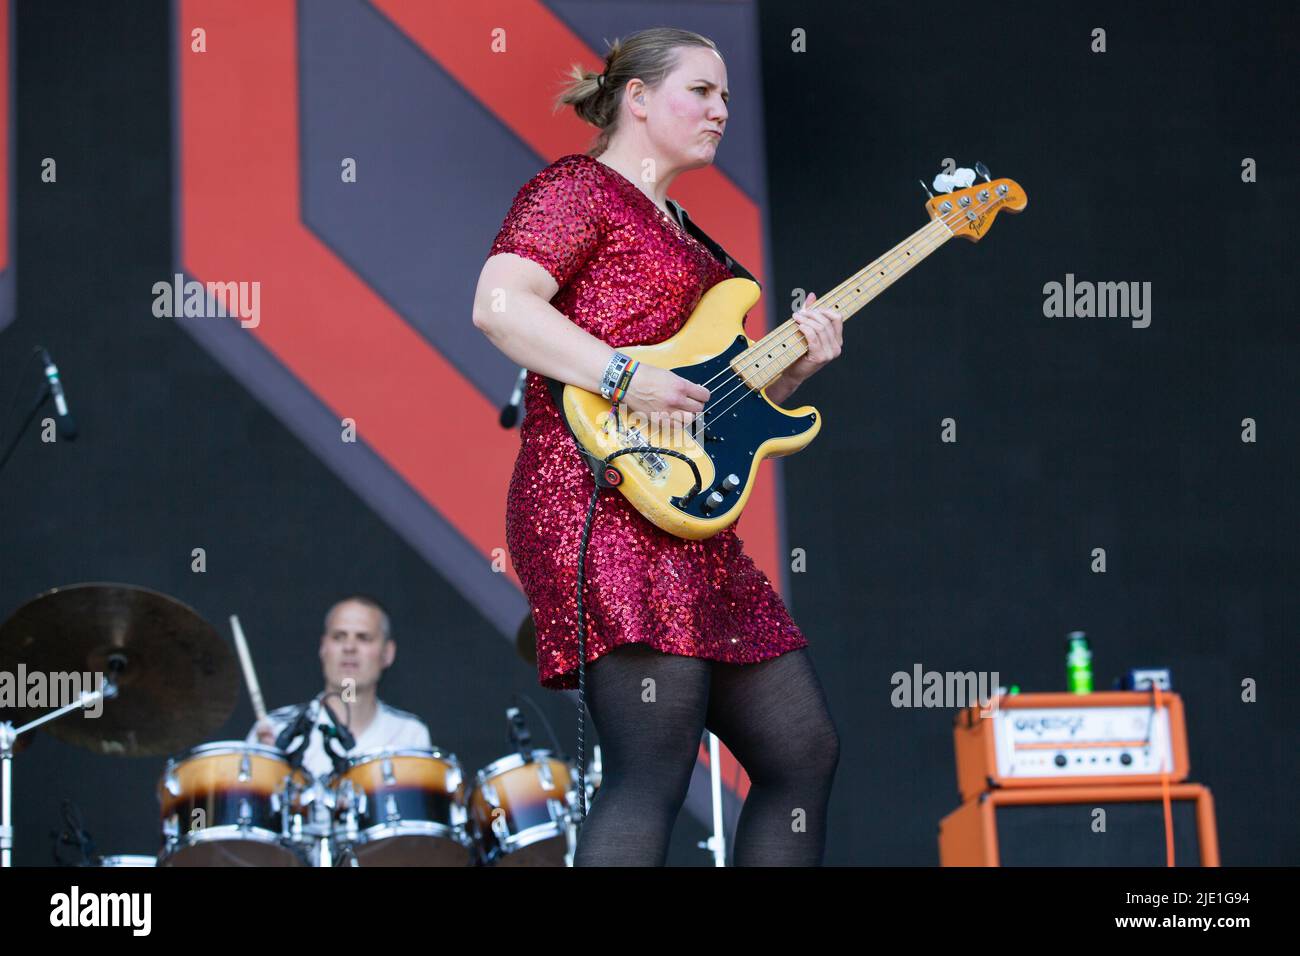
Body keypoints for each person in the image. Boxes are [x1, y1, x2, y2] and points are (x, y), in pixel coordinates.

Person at [472, 28, 842, 866]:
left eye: (725, 97)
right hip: (598, 494)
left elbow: (715, 411)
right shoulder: (579, 188)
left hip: (688, 508)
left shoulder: (690, 235)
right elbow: (499, 305)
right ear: (636, 98)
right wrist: (618, 375)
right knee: (651, 768)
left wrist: (793, 373)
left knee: (802, 751)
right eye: (701, 92)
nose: (721, 111)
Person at [247, 595, 431, 779]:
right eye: (338, 637)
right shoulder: (275, 729)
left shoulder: (409, 735)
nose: (349, 647)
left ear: (387, 653)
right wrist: (268, 770)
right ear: (323, 648)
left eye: (363, 638)